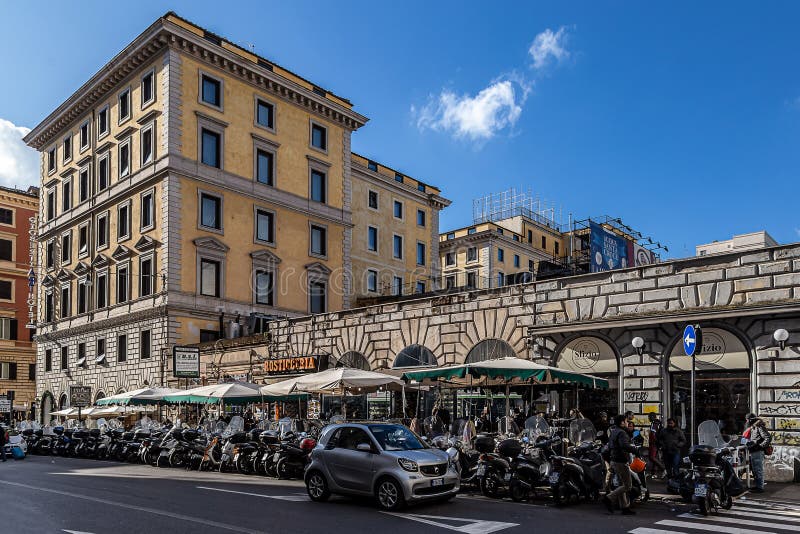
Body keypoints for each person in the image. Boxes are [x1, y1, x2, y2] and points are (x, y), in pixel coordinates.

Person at [603, 414, 638, 515]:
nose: (627, 423)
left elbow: (610, 445)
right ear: (622, 422)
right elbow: (624, 446)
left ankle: (625, 507)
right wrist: (635, 450)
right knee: (628, 486)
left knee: (622, 484)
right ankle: (609, 498)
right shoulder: (622, 432)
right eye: (626, 421)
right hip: (620, 461)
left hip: (614, 460)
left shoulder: (614, 431)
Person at [745, 413, 771, 493]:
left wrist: (760, 446)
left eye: (747, 420)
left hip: (758, 451)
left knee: (758, 469)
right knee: (755, 469)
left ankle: (760, 487)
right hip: (754, 450)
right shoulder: (753, 427)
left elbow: (768, 437)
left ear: (750, 420)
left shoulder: (759, 426)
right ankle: (757, 486)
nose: (746, 421)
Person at [648, 413, 665, 478]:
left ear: (652, 417)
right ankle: (653, 473)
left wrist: (655, 441)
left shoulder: (654, 423)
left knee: (652, 457)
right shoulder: (658, 422)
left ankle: (663, 468)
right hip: (657, 443)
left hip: (654, 443)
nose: (648, 418)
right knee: (655, 457)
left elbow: (653, 434)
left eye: (649, 417)